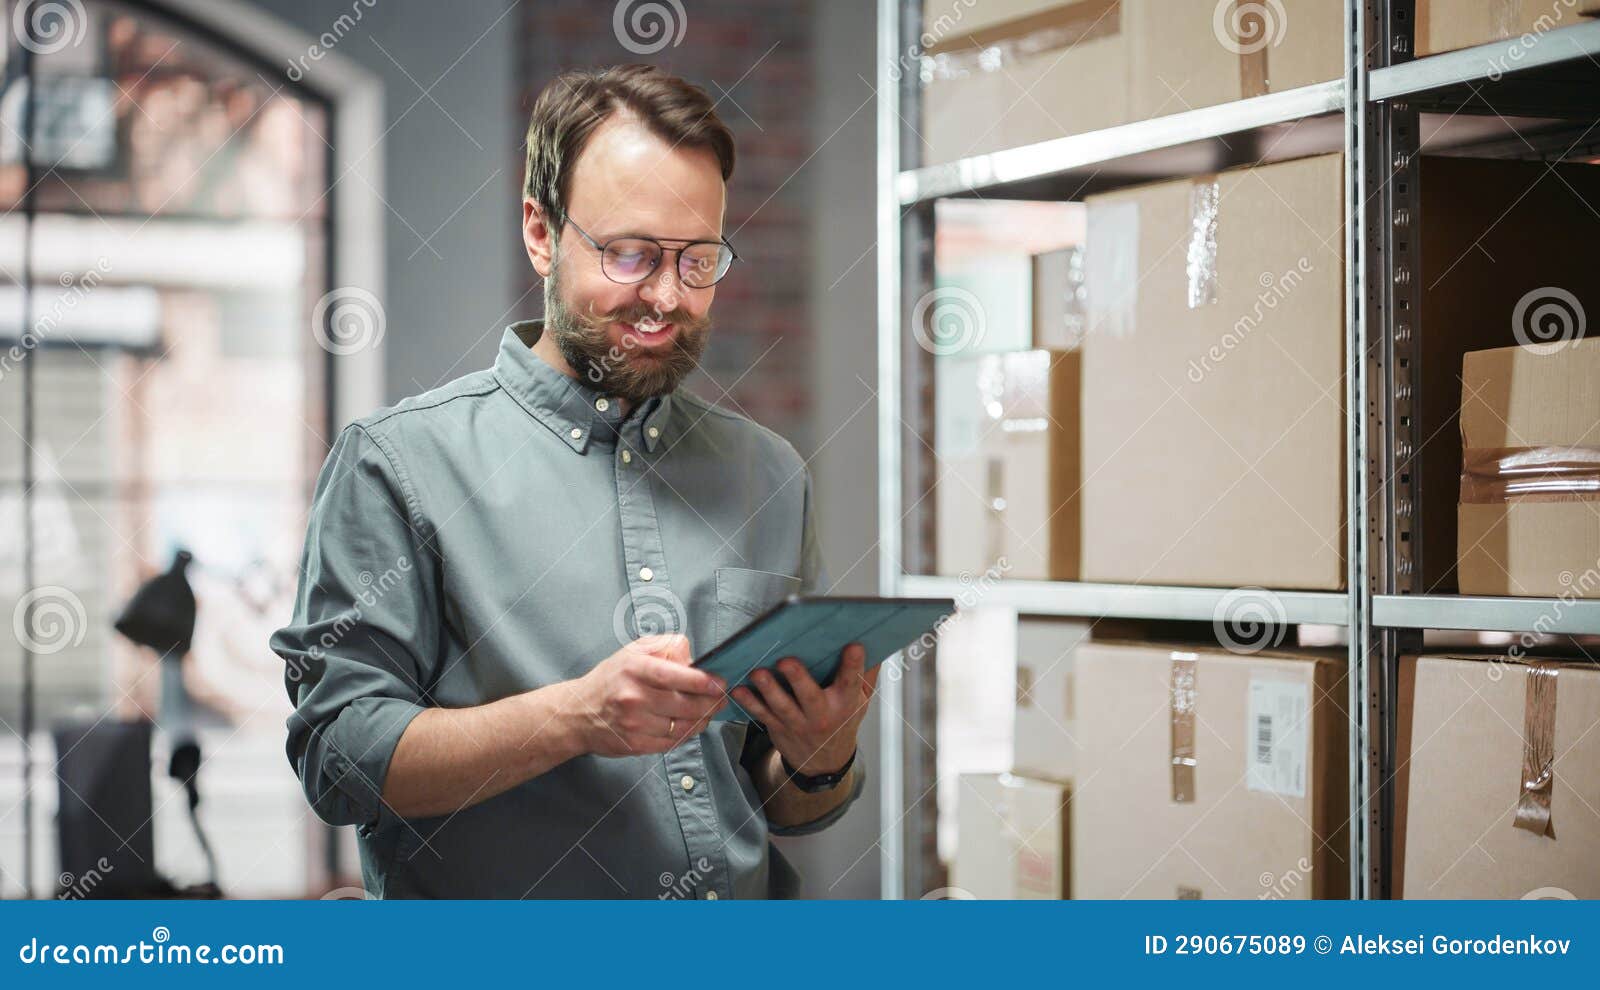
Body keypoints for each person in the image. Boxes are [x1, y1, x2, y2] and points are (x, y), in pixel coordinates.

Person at [269, 64, 874, 899]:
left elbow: (784, 801)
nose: (665, 296)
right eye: (630, 254)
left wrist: (820, 750)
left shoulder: (766, 470)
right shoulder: (396, 463)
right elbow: (339, 759)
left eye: (698, 260)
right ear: (542, 234)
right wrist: (574, 718)